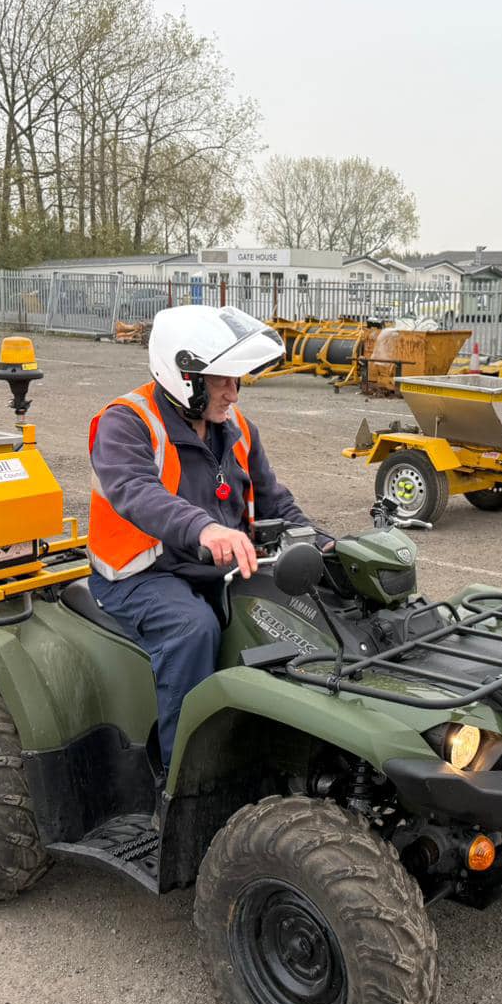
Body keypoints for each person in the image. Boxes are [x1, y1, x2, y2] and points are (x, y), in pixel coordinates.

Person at [87, 305, 314, 770]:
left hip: (215, 569)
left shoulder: (237, 429)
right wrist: (204, 528)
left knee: (305, 617)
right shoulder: (126, 422)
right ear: (185, 376)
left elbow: (275, 501)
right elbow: (136, 492)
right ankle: (182, 780)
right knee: (194, 629)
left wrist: (320, 542)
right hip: (141, 574)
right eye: (222, 379)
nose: (234, 392)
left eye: (237, 379)